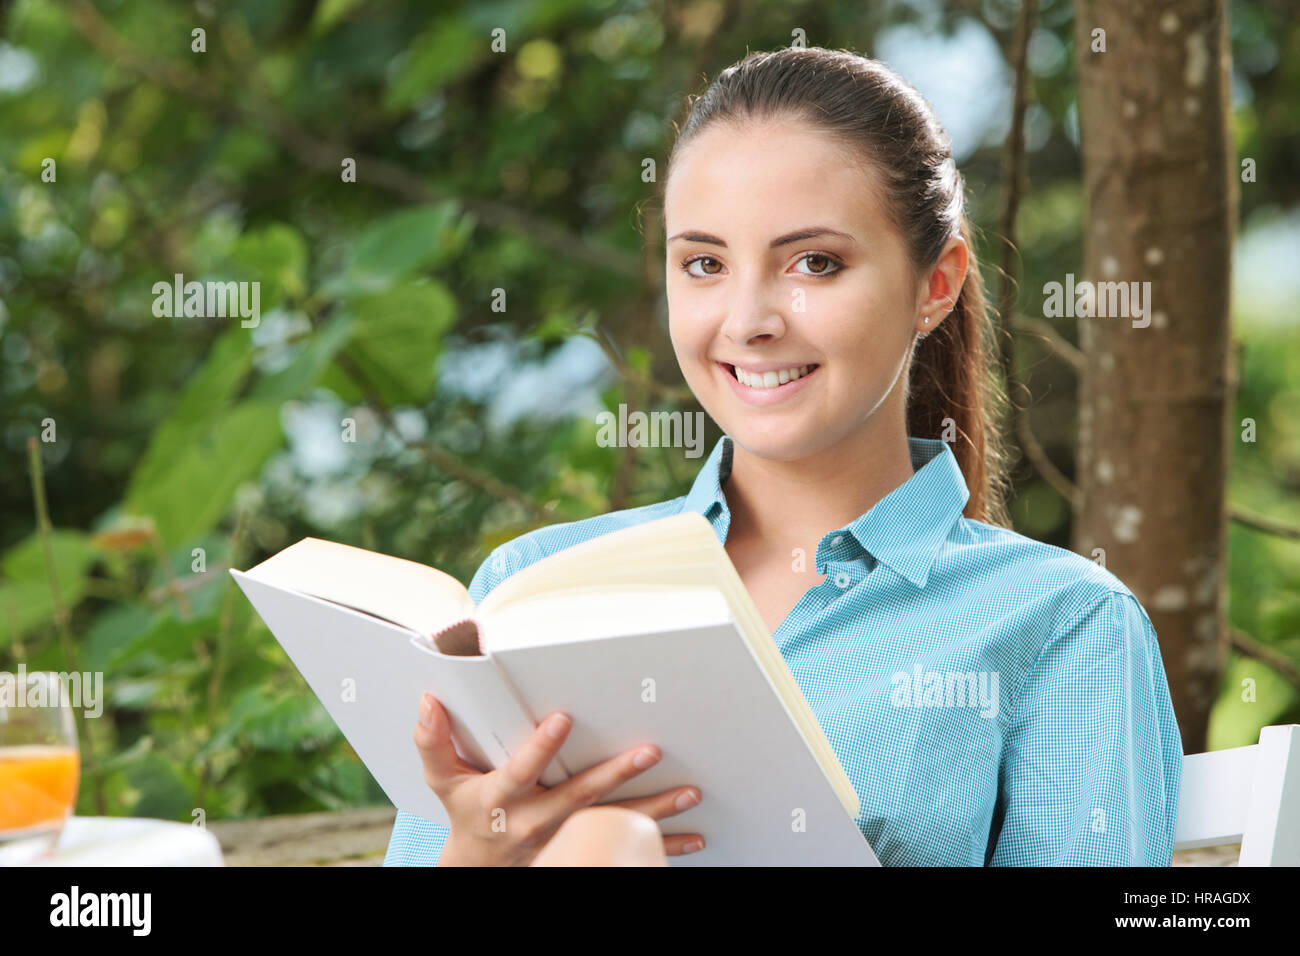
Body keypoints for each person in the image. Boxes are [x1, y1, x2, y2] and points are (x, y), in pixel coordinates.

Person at [384, 46, 1183, 867]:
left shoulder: (1059, 622)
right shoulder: (532, 590)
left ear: (934, 286)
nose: (748, 320)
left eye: (814, 263)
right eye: (704, 264)